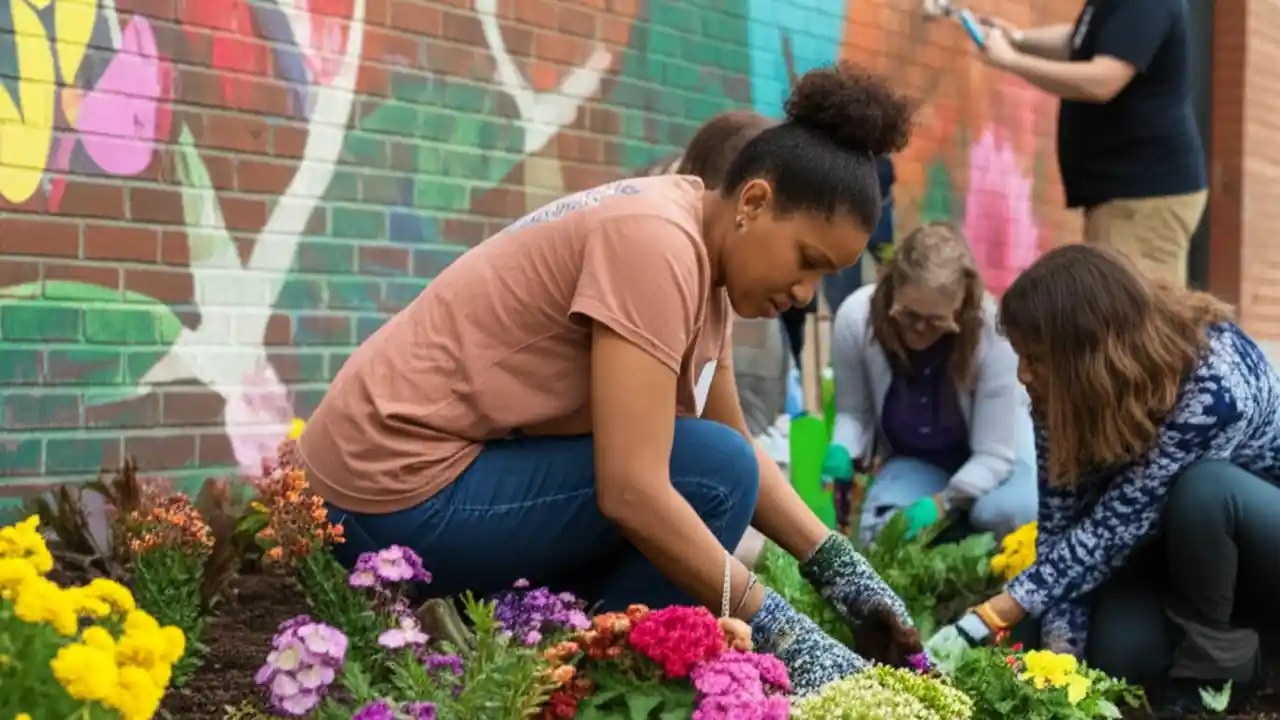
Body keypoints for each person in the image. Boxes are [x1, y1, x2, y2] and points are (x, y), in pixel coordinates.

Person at [298, 62, 922, 695]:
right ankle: (581, 684)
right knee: (711, 476)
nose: (805, 293)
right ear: (754, 202)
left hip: (413, 485)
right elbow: (632, 492)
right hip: (386, 497)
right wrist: (781, 631)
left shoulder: (704, 259)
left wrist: (847, 577)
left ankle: (534, 649)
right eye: (807, 261)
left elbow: (733, 441)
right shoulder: (656, 246)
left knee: (720, 464)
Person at [932, 245, 1280, 716]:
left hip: (1258, 545)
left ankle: (1221, 668)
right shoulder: (1061, 397)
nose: (1022, 374)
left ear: (1088, 356)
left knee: (1206, 490)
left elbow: (1112, 528)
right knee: (1111, 653)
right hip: (1184, 557)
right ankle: (1241, 647)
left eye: (1034, 357)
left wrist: (987, 618)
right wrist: (1061, 666)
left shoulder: (1214, 384)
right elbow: (1059, 530)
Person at [824, 223, 1037, 543]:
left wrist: (942, 504)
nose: (920, 329)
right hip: (918, 457)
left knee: (1008, 512)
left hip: (998, 450)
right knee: (880, 533)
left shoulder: (992, 334)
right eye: (909, 315)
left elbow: (994, 454)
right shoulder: (856, 319)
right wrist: (843, 448)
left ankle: (975, 542)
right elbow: (854, 414)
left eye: (936, 322)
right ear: (891, 287)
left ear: (960, 309)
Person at [973, 1, 1207, 287]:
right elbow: (1081, 41)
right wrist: (1018, 39)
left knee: (1137, 317)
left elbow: (1104, 80)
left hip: (1143, 194)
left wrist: (1011, 61)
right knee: (1122, 309)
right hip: (1125, 194)